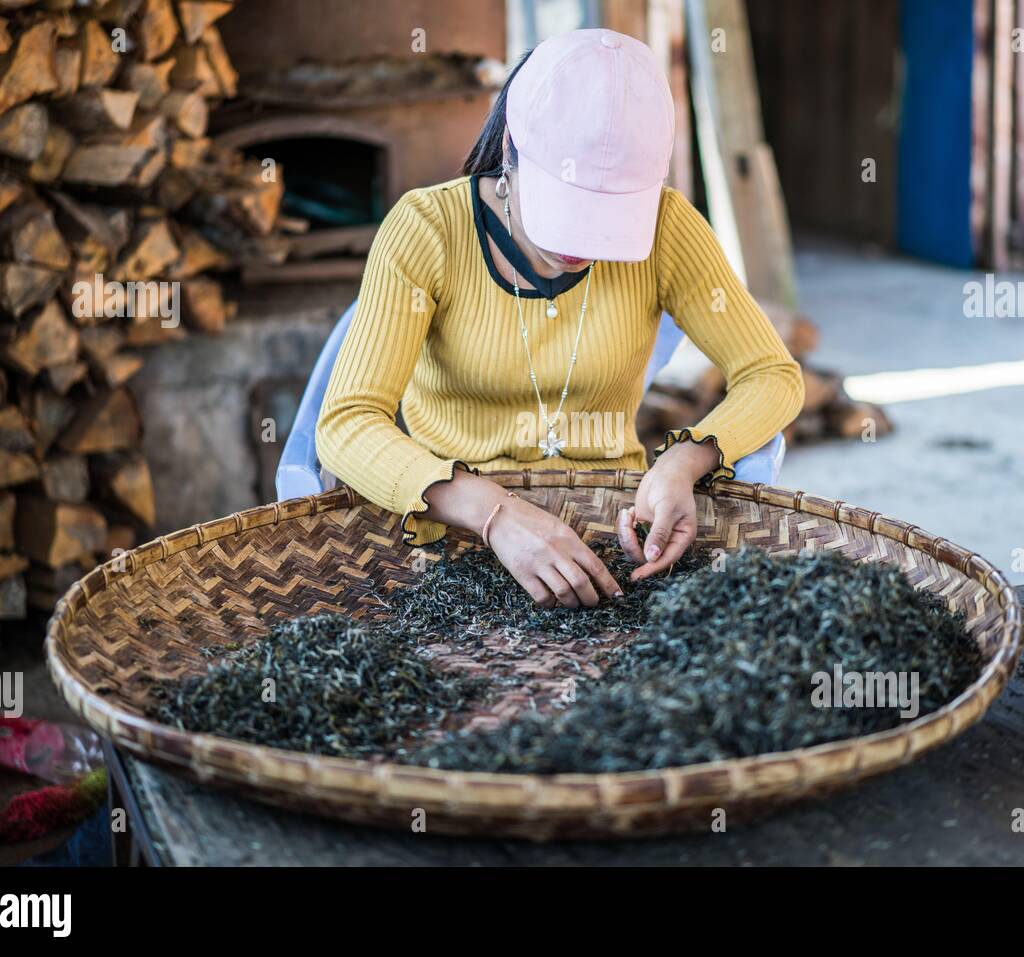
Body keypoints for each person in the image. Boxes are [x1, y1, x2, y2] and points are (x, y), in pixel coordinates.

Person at [317, 28, 803, 608]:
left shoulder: (669, 228)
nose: (582, 248)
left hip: (614, 534)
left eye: (610, 221)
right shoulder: (428, 230)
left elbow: (772, 373)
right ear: (511, 152)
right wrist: (497, 514)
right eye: (569, 214)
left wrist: (682, 462)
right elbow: (346, 423)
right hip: (453, 544)